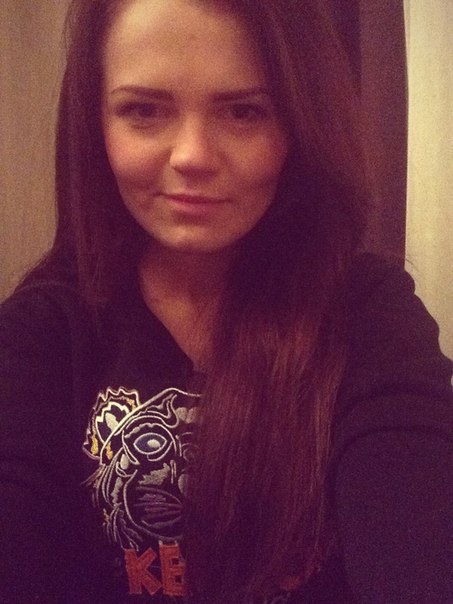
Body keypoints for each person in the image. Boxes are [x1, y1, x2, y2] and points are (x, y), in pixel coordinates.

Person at [1, 0, 452, 602]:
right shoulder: (40, 333)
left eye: (244, 111)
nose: (192, 156)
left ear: (298, 128)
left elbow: (416, 518)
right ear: (95, 127)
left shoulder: (369, 314)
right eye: (143, 110)